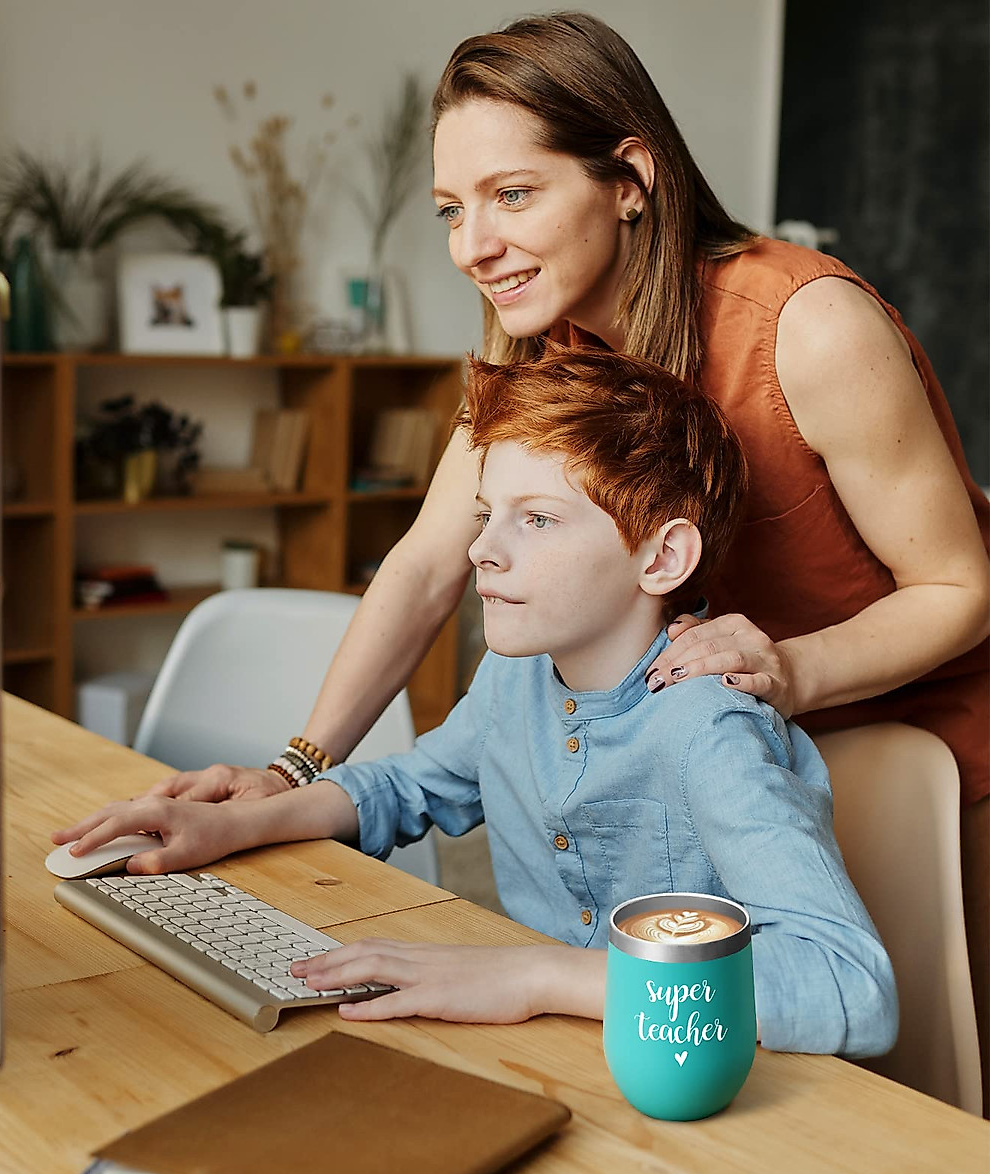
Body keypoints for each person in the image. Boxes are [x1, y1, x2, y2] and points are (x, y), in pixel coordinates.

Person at [135, 13, 989, 1095]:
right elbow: (429, 559)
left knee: (920, 1090)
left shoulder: (807, 327)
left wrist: (788, 668)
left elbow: (960, 589)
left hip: (914, 745)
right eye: (452, 209)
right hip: (728, 743)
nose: (471, 245)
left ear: (629, 176)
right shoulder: (538, 347)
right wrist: (289, 773)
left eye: (512, 194)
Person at [53, 346, 897, 1056]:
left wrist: (536, 975)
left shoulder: (708, 727)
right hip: (553, 1046)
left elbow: (847, 984)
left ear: (663, 556)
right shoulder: (517, 676)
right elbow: (414, 785)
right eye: (488, 512)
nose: (480, 550)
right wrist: (240, 822)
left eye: (537, 521)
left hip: (685, 1079)